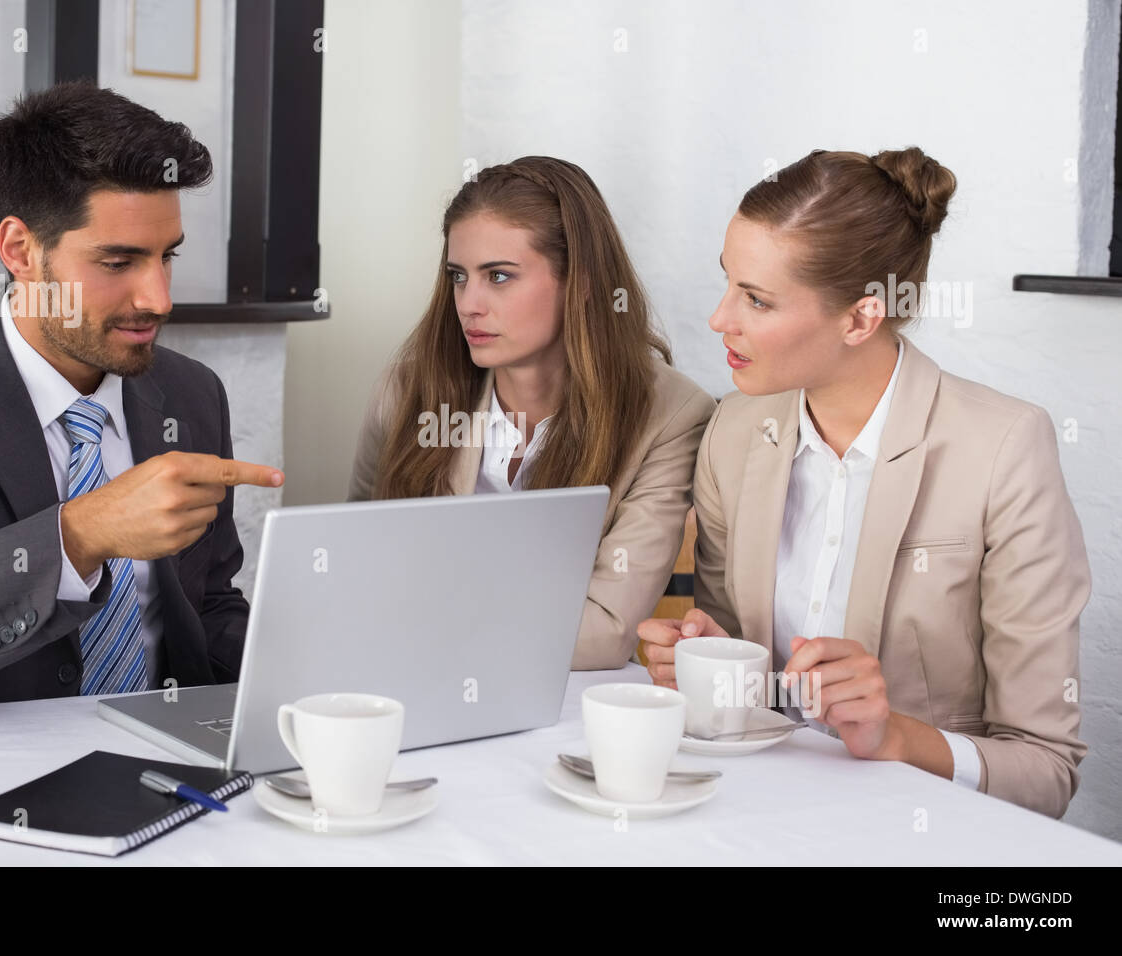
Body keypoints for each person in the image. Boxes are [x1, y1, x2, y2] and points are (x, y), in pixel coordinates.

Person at [638, 147, 1089, 818]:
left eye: (756, 300)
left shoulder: (1002, 449)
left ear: (860, 318)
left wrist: (893, 735)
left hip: (916, 835)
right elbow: (744, 686)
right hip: (753, 815)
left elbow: (1046, 770)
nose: (719, 319)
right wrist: (704, 661)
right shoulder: (733, 432)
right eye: (728, 282)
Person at [0, 82, 283, 717]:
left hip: (166, 761)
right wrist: (79, 536)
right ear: (19, 250)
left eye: (166, 257)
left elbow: (206, 605)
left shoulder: (192, 395)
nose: (159, 299)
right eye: (119, 262)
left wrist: (292, 681)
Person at [349, 156, 715, 669]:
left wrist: (418, 616)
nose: (469, 304)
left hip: (562, 707)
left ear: (579, 283)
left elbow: (605, 631)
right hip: (409, 682)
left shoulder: (672, 414)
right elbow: (355, 558)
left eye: (499, 276)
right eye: (459, 276)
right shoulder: (408, 388)